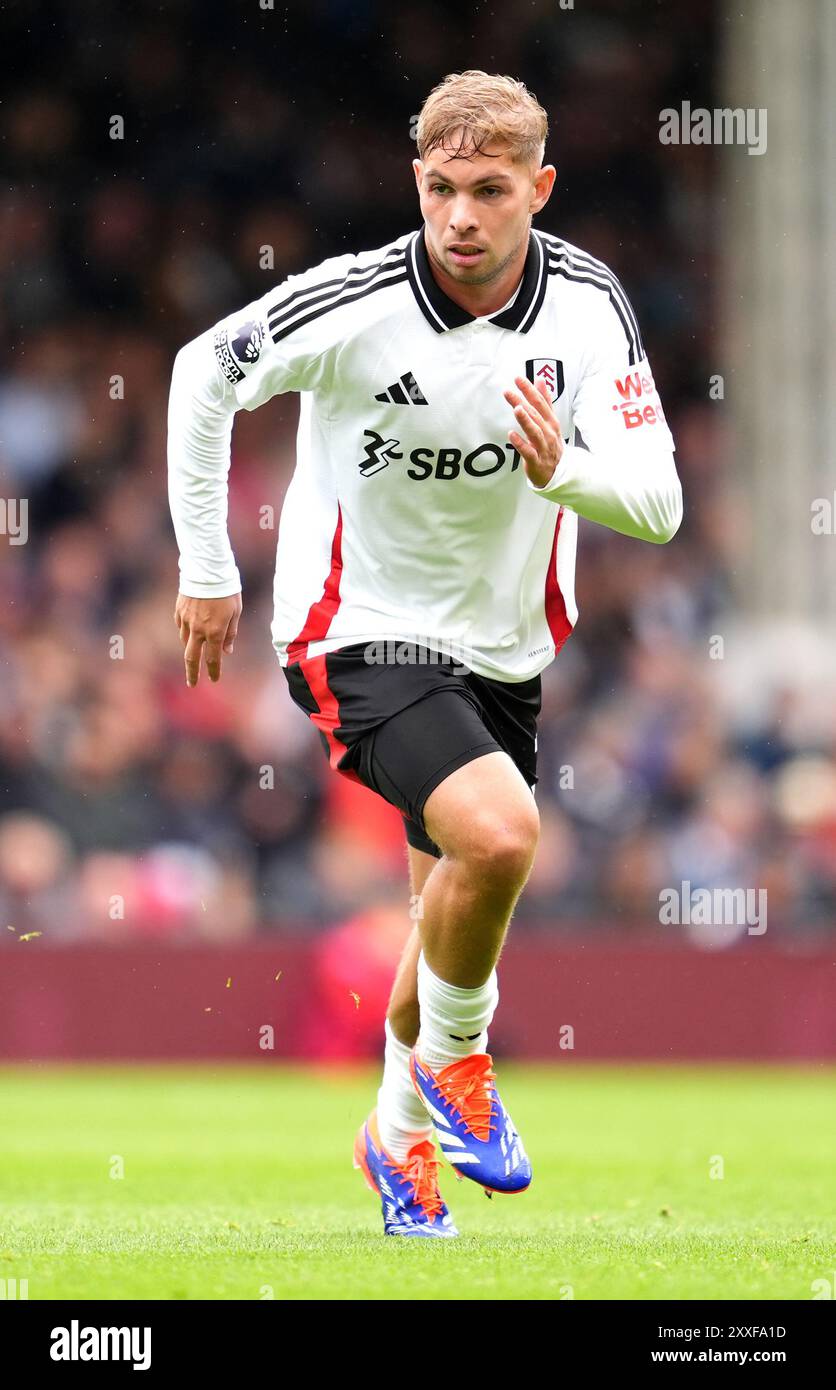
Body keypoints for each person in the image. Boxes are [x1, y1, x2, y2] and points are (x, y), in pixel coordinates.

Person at [167, 69, 683, 1238]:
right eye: (439, 187)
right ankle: (458, 1072)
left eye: (488, 190)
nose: (458, 215)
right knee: (500, 837)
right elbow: (205, 372)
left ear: (537, 190)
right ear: (415, 180)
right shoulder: (350, 303)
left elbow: (654, 505)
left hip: (501, 648)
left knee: (444, 911)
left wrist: (566, 474)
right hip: (355, 629)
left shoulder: (589, 307)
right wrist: (207, 566)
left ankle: (395, 1145)